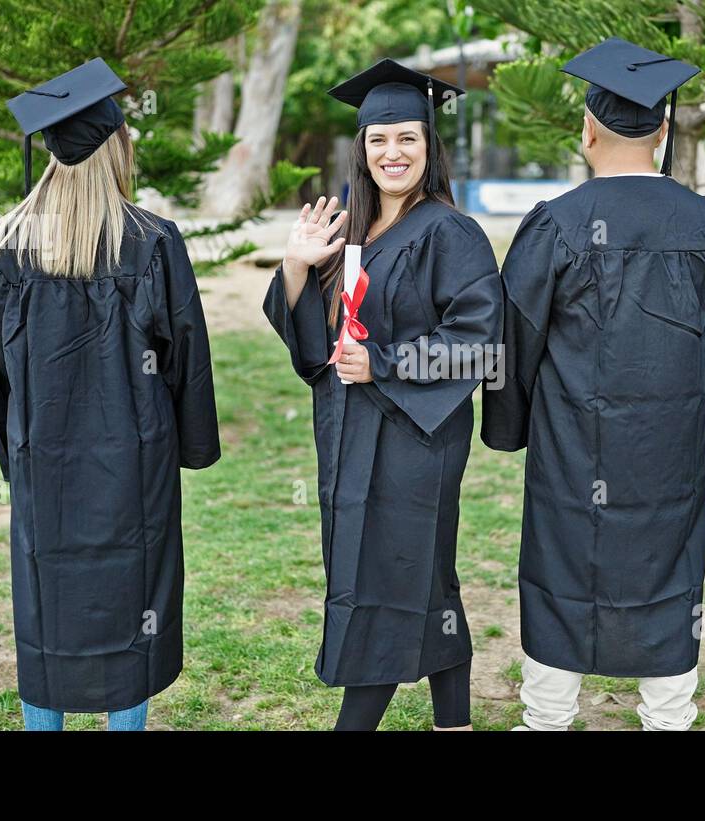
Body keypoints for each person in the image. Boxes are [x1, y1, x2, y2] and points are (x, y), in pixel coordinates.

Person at [480, 38, 705, 731]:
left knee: (563, 567)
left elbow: (510, 345)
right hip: (672, 449)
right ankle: (668, 717)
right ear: (663, 131)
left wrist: (509, 429)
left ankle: (546, 718)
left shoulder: (555, 223)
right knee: (669, 569)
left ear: (587, 128)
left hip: (575, 447)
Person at [0, 58, 221, 731]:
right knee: (129, 601)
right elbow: (186, 361)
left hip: (43, 466)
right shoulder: (153, 242)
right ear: (116, 149)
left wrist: (16, 456)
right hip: (132, 468)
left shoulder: (3, 248)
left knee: (45, 602)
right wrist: (191, 446)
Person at [263, 59, 504, 731]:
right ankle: (452, 718)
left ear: (430, 146)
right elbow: (314, 347)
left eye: (407, 138)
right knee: (424, 580)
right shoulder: (347, 230)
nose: (391, 153)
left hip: (413, 442)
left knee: (387, 579)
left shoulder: (450, 233)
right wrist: (296, 264)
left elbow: (479, 337)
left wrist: (385, 363)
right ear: (361, 148)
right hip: (349, 436)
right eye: (377, 140)